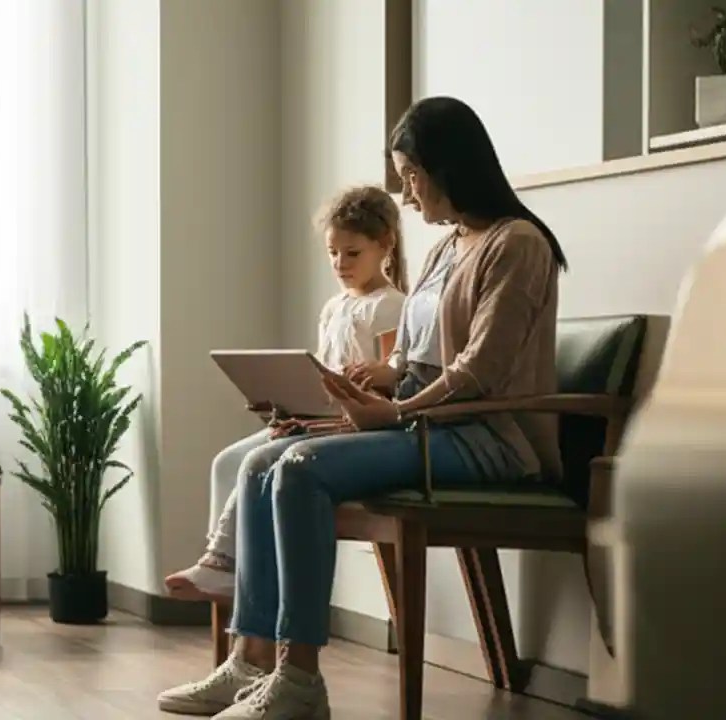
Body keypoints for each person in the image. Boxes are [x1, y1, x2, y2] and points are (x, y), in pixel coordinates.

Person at [157, 95, 569, 719]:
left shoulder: (518, 244)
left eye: (412, 178)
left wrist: (397, 413)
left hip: (483, 439)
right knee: (266, 457)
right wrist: (347, 401)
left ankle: (299, 682)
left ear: (448, 167)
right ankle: (250, 663)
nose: (408, 196)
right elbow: (411, 361)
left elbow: (480, 373)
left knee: (298, 469)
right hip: (427, 423)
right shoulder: (445, 249)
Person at [164, 186, 409, 602]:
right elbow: (322, 372)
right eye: (333, 252)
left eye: (352, 253)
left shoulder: (389, 305)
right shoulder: (333, 308)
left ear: (384, 245)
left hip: (350, 427)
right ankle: (226, 564)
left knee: (256, 463)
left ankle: (225, 567)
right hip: (314, 419)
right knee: (227, 461)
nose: (339, 263)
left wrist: (376, 373)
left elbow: (394, 375)